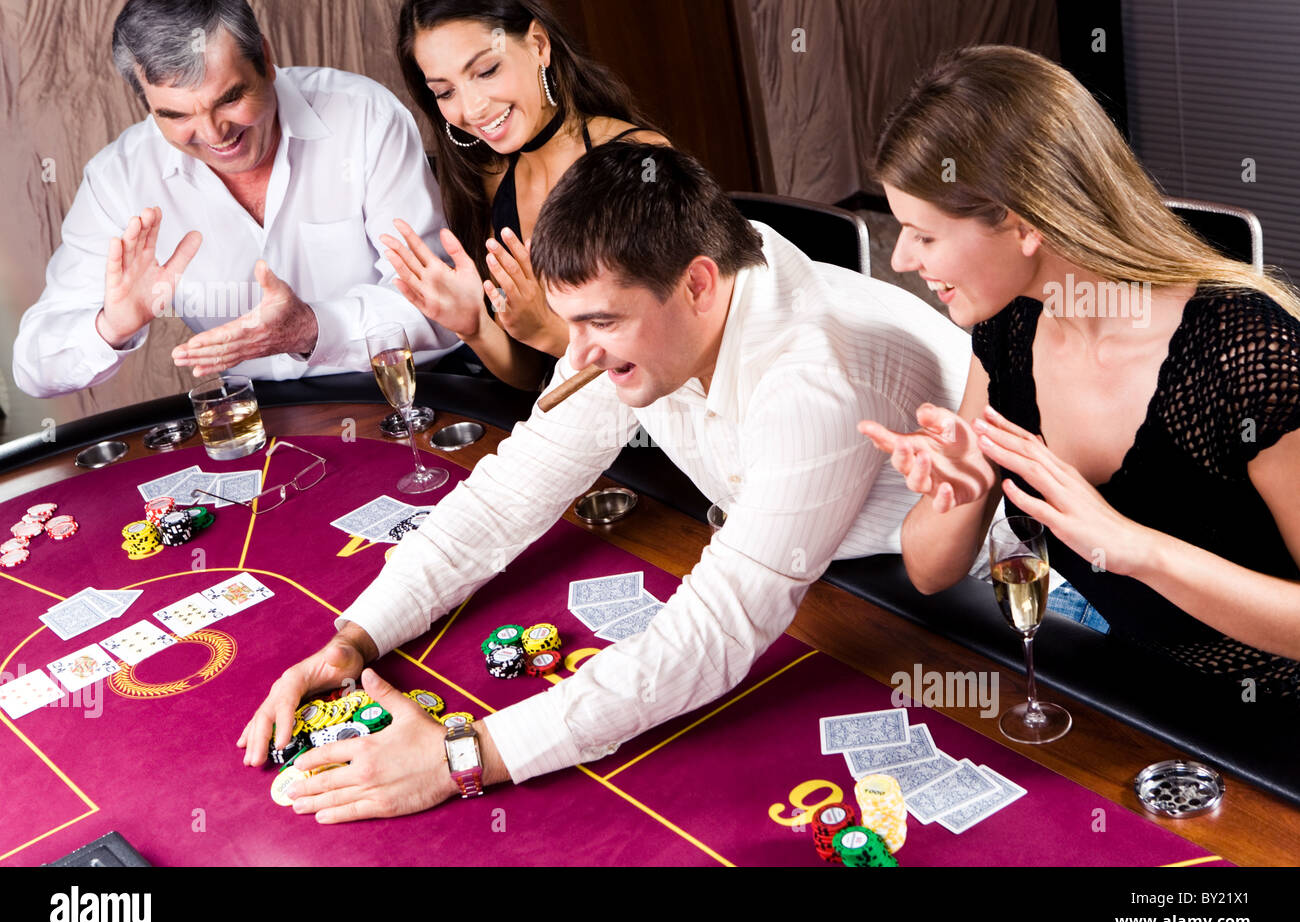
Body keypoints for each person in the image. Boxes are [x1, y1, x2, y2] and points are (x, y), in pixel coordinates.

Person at [237, 143, 974, 821]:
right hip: (814, 559)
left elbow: (716, 632)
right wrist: (356, 637)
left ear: (698, 285)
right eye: (570, 323)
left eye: (600, 324)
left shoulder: (810, 383)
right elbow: (512, 492)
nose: (578, 356)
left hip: (962, 595)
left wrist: (459, 758)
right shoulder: (648, 291)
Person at [858, 46, 1300, 698]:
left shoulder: (1247, 353)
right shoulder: (1007, 329)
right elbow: (928, 573)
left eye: (923, 235)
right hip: (1135, 690)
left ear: (1021, 225)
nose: (899, 258)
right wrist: (963, 485)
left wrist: (1133, 547)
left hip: (1273, 718)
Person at [13, 0, 461, 399]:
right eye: (176, 115)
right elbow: (32, 368)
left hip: (403, 393)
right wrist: (112, 325)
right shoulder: (118, 178)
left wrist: (310, 328)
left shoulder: (364, 116)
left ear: (265, 59)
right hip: (251, 418)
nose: (213, 134)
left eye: (229, 99)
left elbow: (441, 309)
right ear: (146, 104)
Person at [379, 0, 669, 390]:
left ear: (538, 44)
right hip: (562, 426)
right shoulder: (491, 177)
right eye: (445, 92)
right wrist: (475, 326)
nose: (473, 109)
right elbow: (533, 376)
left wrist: (547, 330)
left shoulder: (641, 161)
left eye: (486, 71)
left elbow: (666, 363)